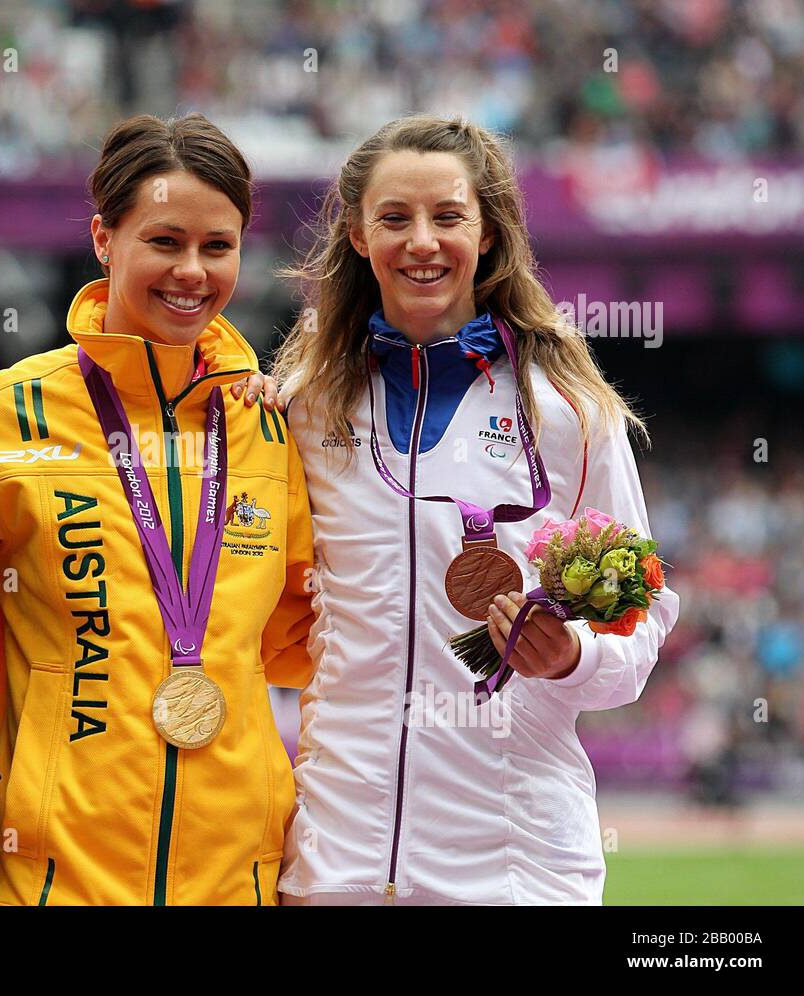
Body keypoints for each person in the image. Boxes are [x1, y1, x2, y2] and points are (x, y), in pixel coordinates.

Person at [272, 115, 680, 905]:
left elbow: (646, 607)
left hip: (516, 859)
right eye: (395, 218)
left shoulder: (568, 411)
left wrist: (574, 657)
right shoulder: (304, 406)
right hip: (339, 857)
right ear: (358, 235)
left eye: (448, 217)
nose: (421, 241)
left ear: (489, 233)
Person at [0, 113, 316, 905]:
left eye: (218, 246)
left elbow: (300, 643)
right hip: (47, 876)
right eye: (165, 240)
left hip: (234, 876)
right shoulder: (9, 413)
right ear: (105, 239)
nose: (193, 270)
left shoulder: (271, 425)